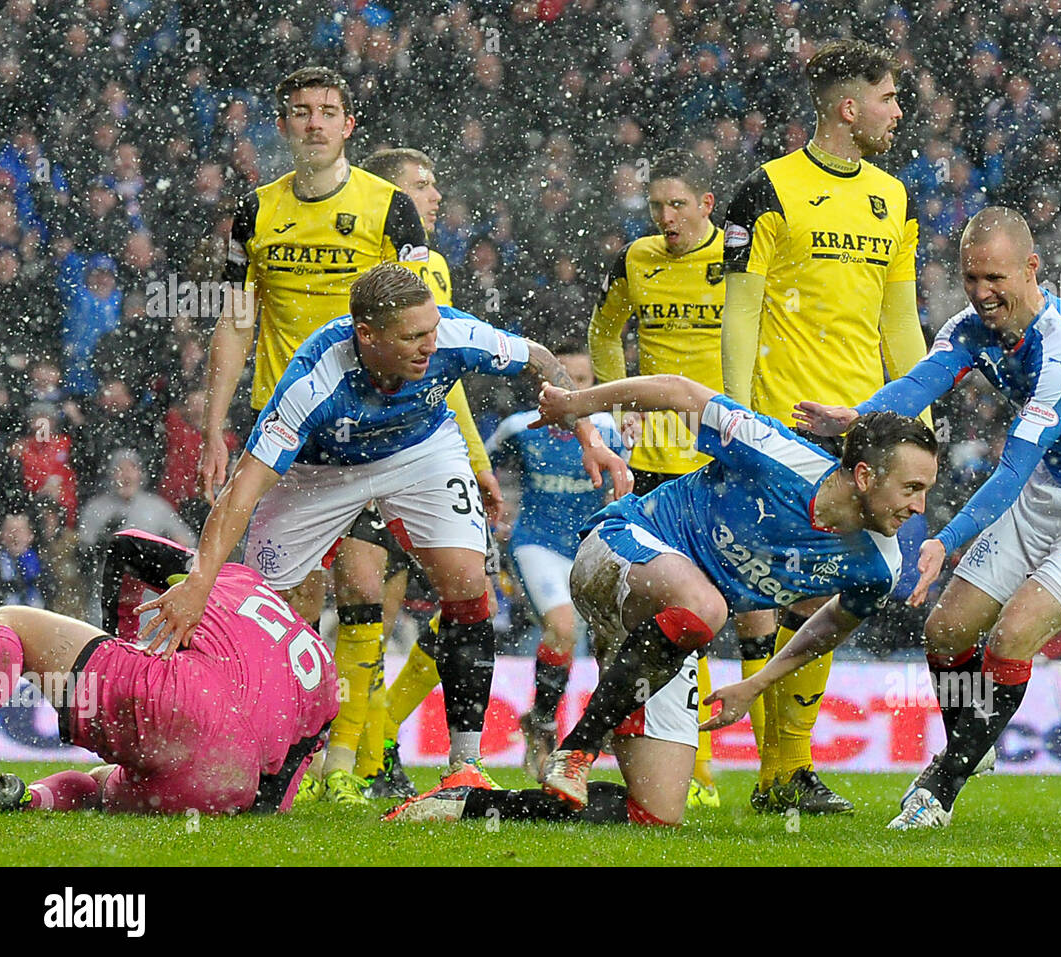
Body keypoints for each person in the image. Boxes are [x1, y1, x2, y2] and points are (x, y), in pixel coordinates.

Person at [137, 264, 630, 805]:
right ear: (366, 336)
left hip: (420, 452)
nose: (429, 345)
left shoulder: (456, 335)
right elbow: (241, 493)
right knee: (270, 608)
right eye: (413, 337)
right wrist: (200, 582)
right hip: (318, 472)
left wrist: (586, 432)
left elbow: (538, 358)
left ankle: (464, 767)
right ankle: (276, 756)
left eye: (431, 330)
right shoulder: (313, 380)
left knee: (469, 585)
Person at [383, 373, 936, 826]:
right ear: (863, 475)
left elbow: (831, 627)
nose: (919, 506)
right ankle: (576, 750)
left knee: (655, 812)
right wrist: (578, 403)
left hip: (668, 632)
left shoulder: (877, 566)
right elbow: (682, 393)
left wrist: (754, 684)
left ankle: (464, 805)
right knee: (709, 607)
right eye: (912, 489)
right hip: (618, 550)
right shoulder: (783, 458)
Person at [793, 206, 1061, 829]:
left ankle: (938, 788)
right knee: (944, 634)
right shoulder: (969, 329)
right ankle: (976, 737)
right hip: (1048, 490)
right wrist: (855, 418)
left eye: (995, 277)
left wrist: (946, 540)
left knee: (1011, 637)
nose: (982, 292)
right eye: (971, 278)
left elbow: (1012, 469)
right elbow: (918, 387)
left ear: (1032, 269)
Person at [199, 69, 493, 806]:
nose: (313, 124)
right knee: (289, 605)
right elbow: (236, 320)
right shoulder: (253, 213)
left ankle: (349, 762)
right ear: (283, 123)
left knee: (365, 585)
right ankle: (286, 759)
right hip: (290, 427)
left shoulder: (391, 209)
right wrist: (213, 425)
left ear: (349, 125)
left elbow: (427, 335)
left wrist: (469, 448)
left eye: (327, 112)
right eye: (299, 112)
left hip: (376, 428)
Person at [720, 39, 929, 813]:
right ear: (849, 106)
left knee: (832, 598)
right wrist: (733, 420)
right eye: (889, 96)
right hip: (781, 426)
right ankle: (773, 770)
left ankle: (784, 773)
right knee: (780, 595)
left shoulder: (896, 198)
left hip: (866, 435)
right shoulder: (767, 191)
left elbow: (900, 323)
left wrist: (918, 425)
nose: (898, 110)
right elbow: (740, 312)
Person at [345, 146, 503, 799]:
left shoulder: (429, 267)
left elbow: (445, 377)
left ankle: (373, 741)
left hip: (422, 453)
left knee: (456, 599)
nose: (434, 198)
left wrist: (475, 454)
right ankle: (355, 753)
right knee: (367, 602)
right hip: (356, 451)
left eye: (434, 185)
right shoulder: (365, 268)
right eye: (421, 186)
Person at [0, 529, 338, 815]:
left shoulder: (236, 577)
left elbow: (127, 546)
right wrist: (239, 800)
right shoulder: (326, 670)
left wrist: (123, 643)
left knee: (10, 620)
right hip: (223, 780)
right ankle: (31, 798)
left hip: (176, 699)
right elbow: (277, 796)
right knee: (101, 788)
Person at [586, 146, 727, 807]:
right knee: (643, 617)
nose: (665, 217)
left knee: (722, 616)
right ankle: (651, 757)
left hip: (717, 461)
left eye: (678, 204)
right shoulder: (635, 259)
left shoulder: (738, 260)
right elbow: (604, 334)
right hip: (650, 466)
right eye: (656, 206)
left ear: (706, 204)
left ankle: (728, 766)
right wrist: (622, 402)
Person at [484, 350, 622, 779]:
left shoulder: (610, 431)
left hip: (588, 547)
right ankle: (545, 725)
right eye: (565, 378)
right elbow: (480, 470)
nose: (573, 387)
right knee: (563, 627)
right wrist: (493, 512)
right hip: (537, 542)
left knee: (606, 641)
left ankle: (554, 722)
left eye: (582, 378)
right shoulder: (519, 427)